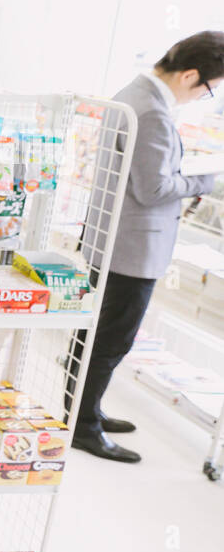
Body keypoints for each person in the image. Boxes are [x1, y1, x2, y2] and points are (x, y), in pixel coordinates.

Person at [74, 30, 224, 462]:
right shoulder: (153, 111)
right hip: (132, 246)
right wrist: (205, 177)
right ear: (191, 75)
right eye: (209, 90)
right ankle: (83, 426)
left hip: (112, 236)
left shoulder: (135, 92)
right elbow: (155, 187)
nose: (205, 99)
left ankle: (84, 409)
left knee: (97, 334)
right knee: (112, 339)